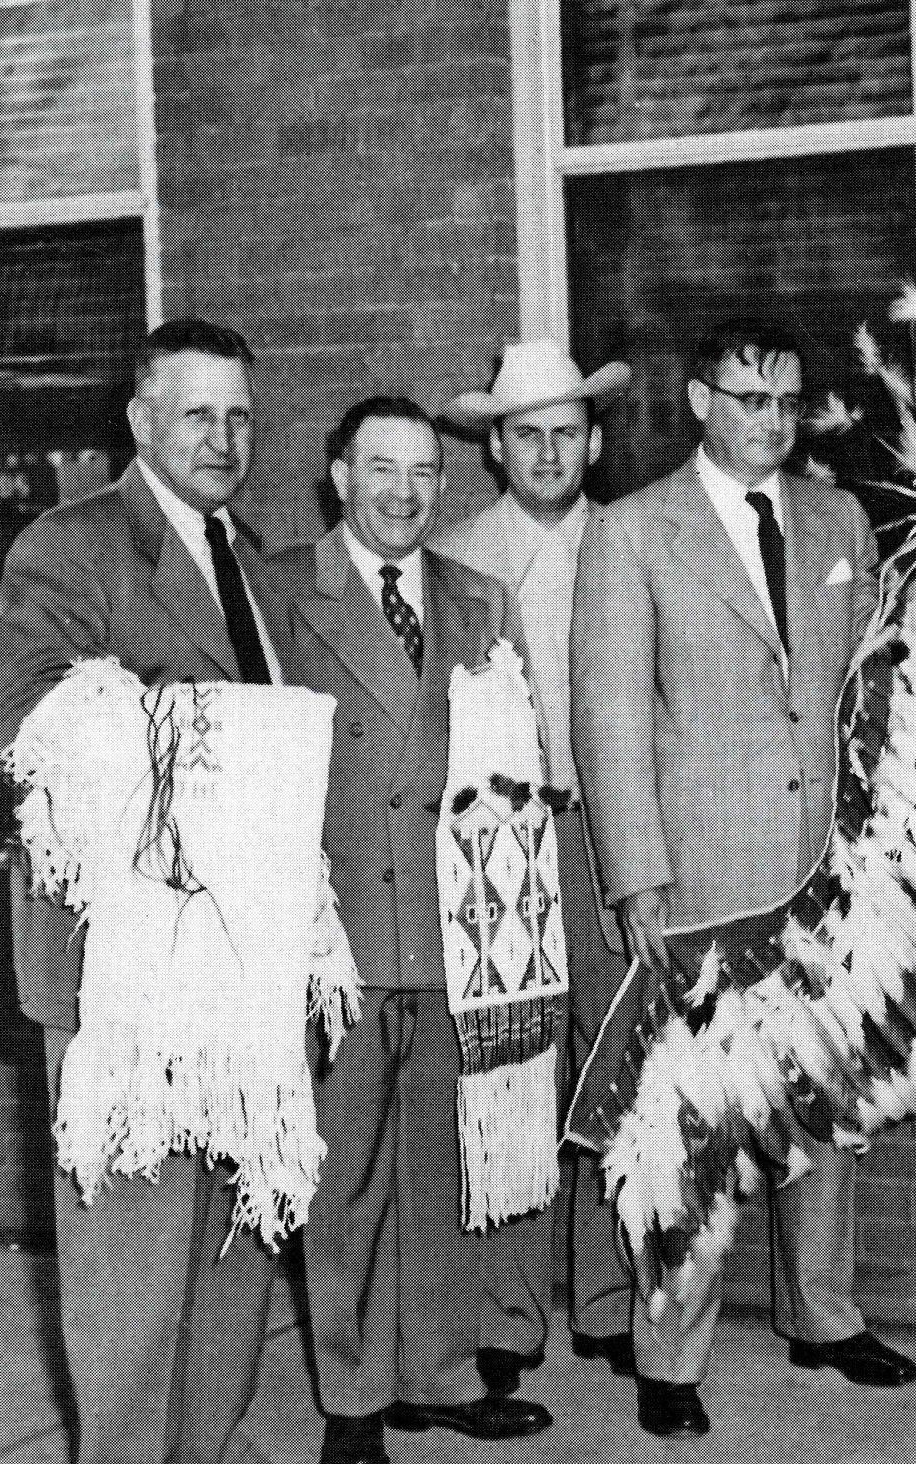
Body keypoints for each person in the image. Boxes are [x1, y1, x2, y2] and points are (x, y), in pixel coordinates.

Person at [570, 318, 916, 1439]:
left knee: (824, 1096)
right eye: (748, 399)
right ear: (701, 403)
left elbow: (875, 689)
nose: (771, 420)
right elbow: (609, 716)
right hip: (702, 876)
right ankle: (668, 1354)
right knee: (695, 1120)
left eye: (786, 401)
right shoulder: (632, 532)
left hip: (829, 872)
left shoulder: (838, 518)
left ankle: (823, 1313)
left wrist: (886, 844)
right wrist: (634, 876)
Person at [0, 318, 287, 1464]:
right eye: (199, 412)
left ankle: (204, 1452)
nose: (223, 436)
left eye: (241, 415)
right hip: (123, 967)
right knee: (133, 1270)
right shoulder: (72, 544)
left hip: (240, 960)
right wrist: (180, 749)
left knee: (229, 1251)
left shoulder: (249, 557)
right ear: (141, 421)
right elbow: (24, 723)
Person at [272, 398, 550, 1464]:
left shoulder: (479, 599)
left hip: (458, 935)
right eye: (380, 470)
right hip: (340, 935)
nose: (403, 492)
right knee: (342, 1182)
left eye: (424, 473)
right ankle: (351, 1398)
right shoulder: (285, 591)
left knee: (442, 1172)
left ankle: (435, 1375)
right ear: (339, 475)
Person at [433, 340, 637, 1394]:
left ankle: (606, 1303)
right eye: (526, 436)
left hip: (609, 840)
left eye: (566, 432)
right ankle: (510, 1314)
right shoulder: (457, 556)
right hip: (499, 847)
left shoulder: (633, 540)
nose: (548, 452)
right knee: (510, 1067)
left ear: (593, 441)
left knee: (611, 1064)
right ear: (496, 450)